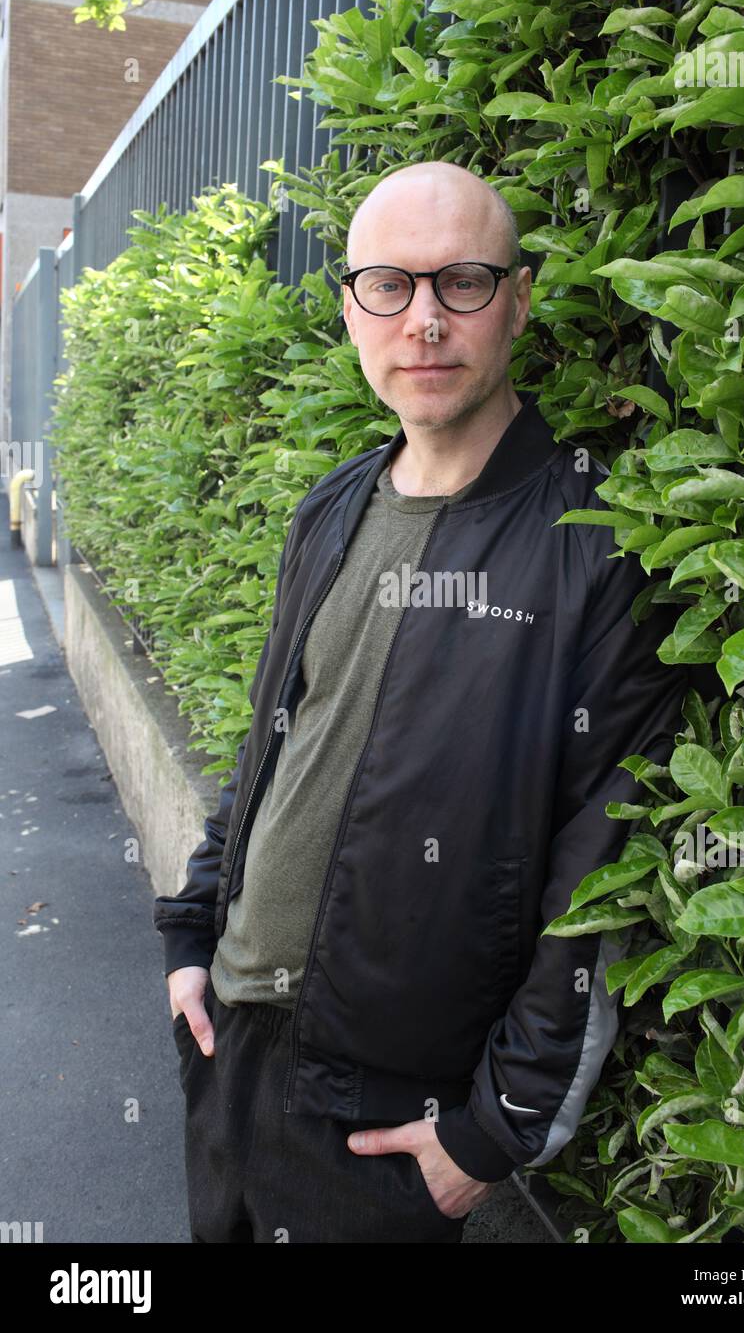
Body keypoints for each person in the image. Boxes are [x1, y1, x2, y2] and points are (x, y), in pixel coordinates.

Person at [153, 160, 688, 1244]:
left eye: (463, 284)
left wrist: (491, 1135)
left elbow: (602, 875)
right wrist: (189, 933)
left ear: (520, 299)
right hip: (231, 1051)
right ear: (351, 306)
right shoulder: (332, 507)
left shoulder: (593, 547)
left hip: (388, 1121)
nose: (424, 321)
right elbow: (272, 748)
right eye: (388, 286)